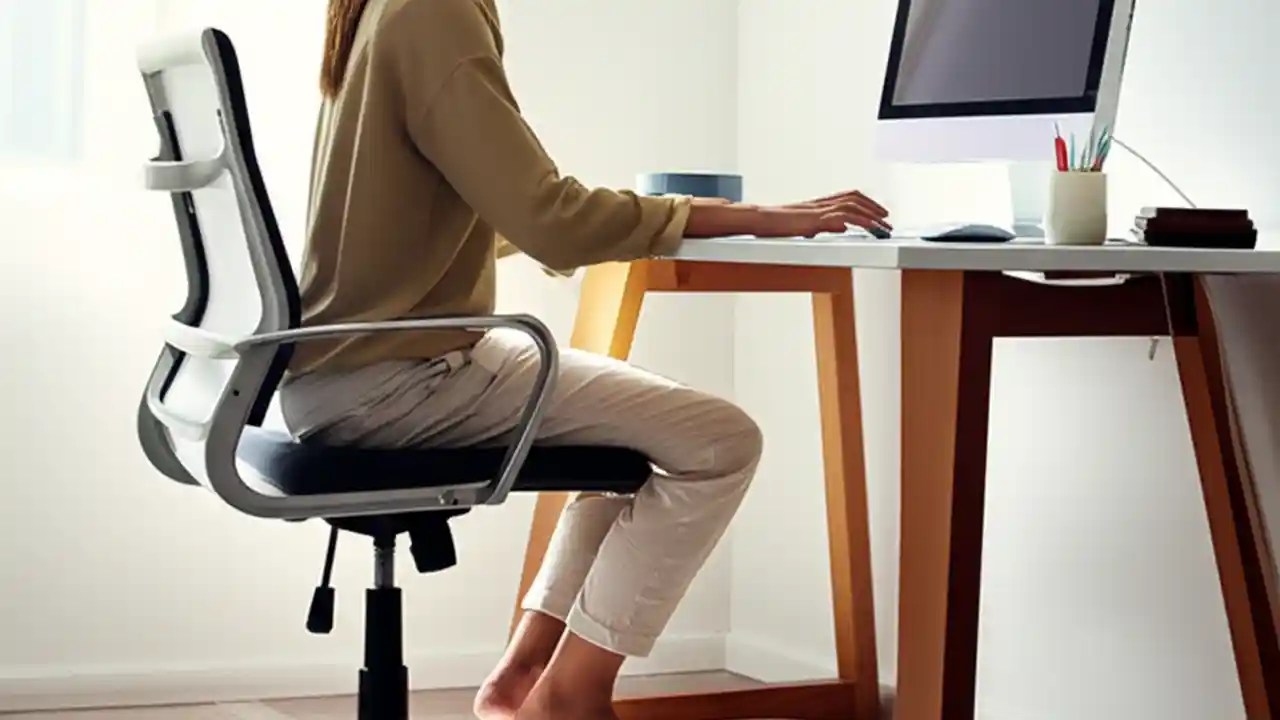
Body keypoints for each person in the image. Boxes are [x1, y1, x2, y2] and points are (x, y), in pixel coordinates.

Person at [282, 1, 892, 718]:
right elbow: (549, 222)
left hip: (351, 369)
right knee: (722, 443)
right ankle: (568, 697)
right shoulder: (434, 9)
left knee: (639, 438)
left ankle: (522, 682)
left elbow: (484, 207)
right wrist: (754, 215)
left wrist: (611, 214)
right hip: (392, 380)